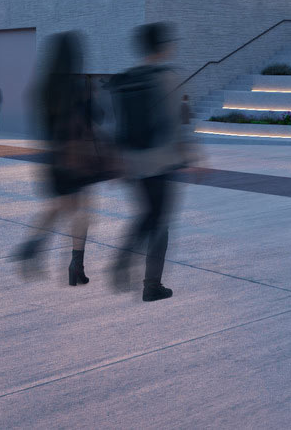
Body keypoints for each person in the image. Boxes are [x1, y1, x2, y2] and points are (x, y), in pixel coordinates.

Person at [14, 31, 113, 285]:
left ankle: (34, 246)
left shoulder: (44, 87)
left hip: (54, 161)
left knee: (59, 207)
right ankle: (75, 264)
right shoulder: (77, 87)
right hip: (78, 161)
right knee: (83, 211)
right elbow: (97, 117)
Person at [108, 23, 194, 302]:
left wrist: (118, 160)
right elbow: (176, 123)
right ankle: (149, 282)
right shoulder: (166, 78)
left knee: (148, 215)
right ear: (164, 46)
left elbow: (113, 121)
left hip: (133, 161)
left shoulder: (126, 78)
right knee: (159, 221)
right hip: (161, 161)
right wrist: (191, 156)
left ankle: (137, 270)